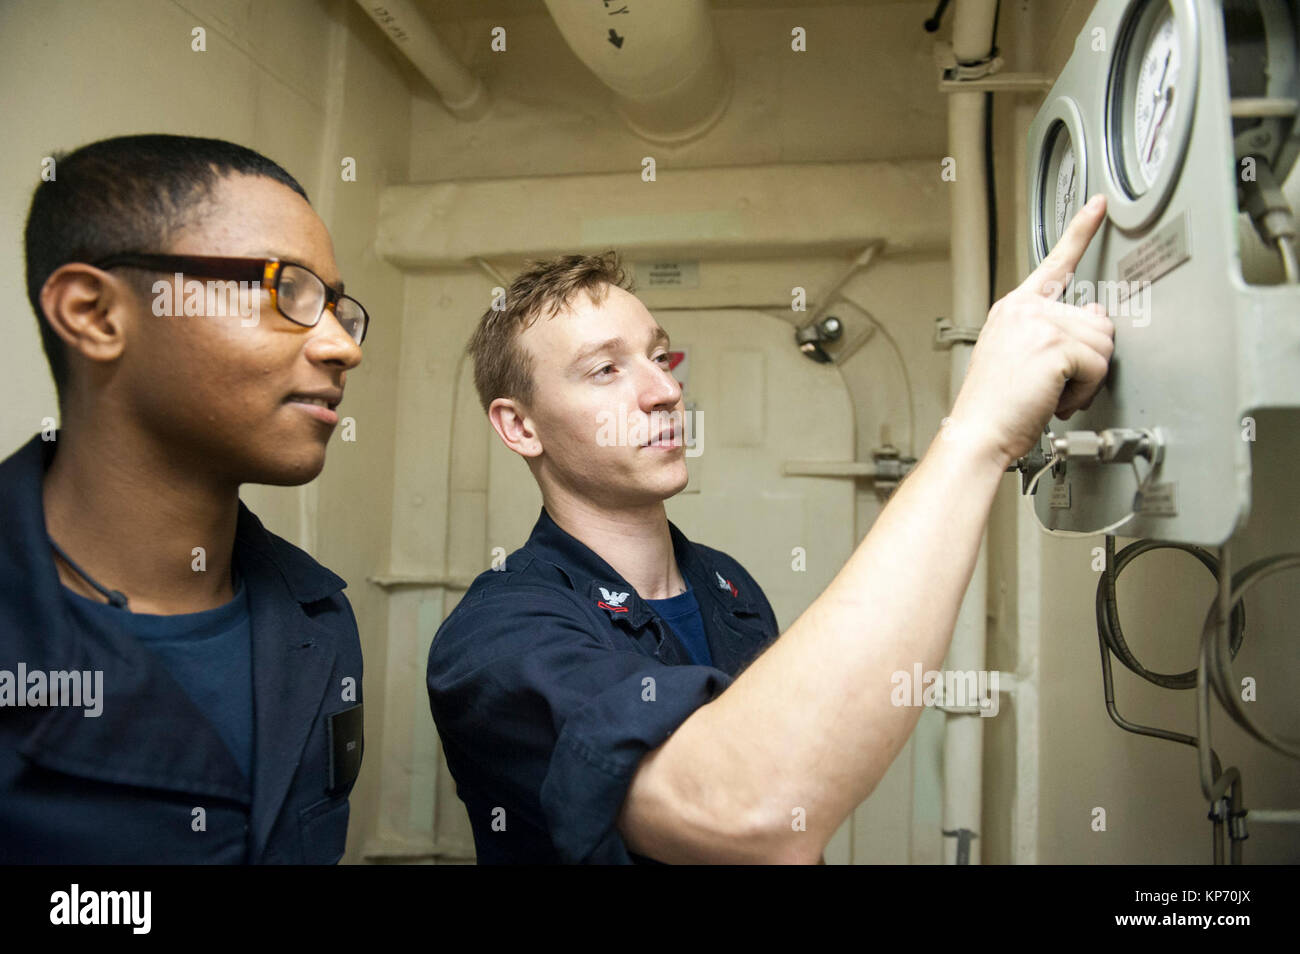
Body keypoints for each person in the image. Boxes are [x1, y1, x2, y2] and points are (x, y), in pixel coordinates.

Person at [427, 196, 1114, 863]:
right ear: (520, 427)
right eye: (606, 369)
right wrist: (976, 436)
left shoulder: (727, 585)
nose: (665, 389)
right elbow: (744, 809)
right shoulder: (496, 638)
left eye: (658, 356)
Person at [0, 134, 369, 863]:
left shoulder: (316, 617)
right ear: (96, 314)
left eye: (335, 306)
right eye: (284, 291)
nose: (342, 347)